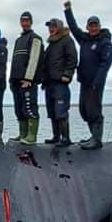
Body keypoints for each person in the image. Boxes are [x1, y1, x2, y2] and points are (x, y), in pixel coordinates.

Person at [64, 1, 112, 150]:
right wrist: (68, 10)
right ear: (88, 27)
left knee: (94, 110)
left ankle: (97, 140)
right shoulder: (85, 40)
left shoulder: (105, 43)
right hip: (84, 82)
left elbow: (105, 65)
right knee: (84, 110)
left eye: (95, 25)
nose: (93, 28)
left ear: (99, 26)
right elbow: (73, 28)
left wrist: (97, 82)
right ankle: (93, 136)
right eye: (90, 25)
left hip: (96, 83)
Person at [41, 18, 78, 147]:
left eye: (53, 26)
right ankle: (56, 136)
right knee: (52, 111)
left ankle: (65, 138)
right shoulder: (51, 44)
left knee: (60, 110)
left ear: (59, 27)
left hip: (60, 82)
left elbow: (72, 58)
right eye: (50, 26)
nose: (51, 28)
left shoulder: (67, 40)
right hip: (49, 83)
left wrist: (67, 75)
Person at [9, 11, 44, 144]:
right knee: (19, 109)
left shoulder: (35, 38)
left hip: (27, 82)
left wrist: (29, 79)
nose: (25, 23)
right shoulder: (18, 40)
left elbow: (34, 59)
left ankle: (32, 136)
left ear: (31, 22)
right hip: (17, 81)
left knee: (30, 107)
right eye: (23, 21)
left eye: (27, 21)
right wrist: (12, 80)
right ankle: (23, 134)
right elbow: (15, 62)